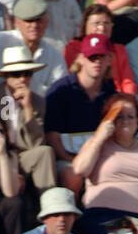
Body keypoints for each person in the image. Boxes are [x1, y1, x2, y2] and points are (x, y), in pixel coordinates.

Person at [72, 92, 138, 234]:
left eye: (130, 116)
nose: (125, 121)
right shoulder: (97, 144)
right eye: (119, 117)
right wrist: (99, 137)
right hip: (104, 215)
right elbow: (80, 169)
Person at [0, 44, 57, 204]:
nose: (22, 79)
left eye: (27, 74)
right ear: (6, 76)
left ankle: (50, 206)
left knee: (45, 152)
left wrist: (28, 109)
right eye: (16, 74)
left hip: (22, 156)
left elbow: (37, 144)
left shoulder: (37, 102)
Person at [44, 32, 116, 188]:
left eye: (102, 57)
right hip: (65, 156)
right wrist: (74, 161)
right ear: (81, 59)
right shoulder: (61, 91)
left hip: (99, 154)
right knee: (72, 176)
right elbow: (52, 137)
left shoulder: (111, 92)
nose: (97, 62)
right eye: (92, 57)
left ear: (110, 59)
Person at [0, 0, 67, 96]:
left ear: (46, 22)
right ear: (16, 22)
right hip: (1, 105)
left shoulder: (54, 55)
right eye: (29, 20)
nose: (34, 25)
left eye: (39, 20)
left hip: (40, 109)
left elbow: (60, 92)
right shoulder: (1, 41)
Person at [64, 3, 136, 97]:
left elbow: (128, 81)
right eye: (96, 24)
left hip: (117, 99)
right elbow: (70, 78)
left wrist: (128, 99)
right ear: (85, 26)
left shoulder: (119, 50)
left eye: (106, 23)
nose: (102, 28)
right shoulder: (73, 47)